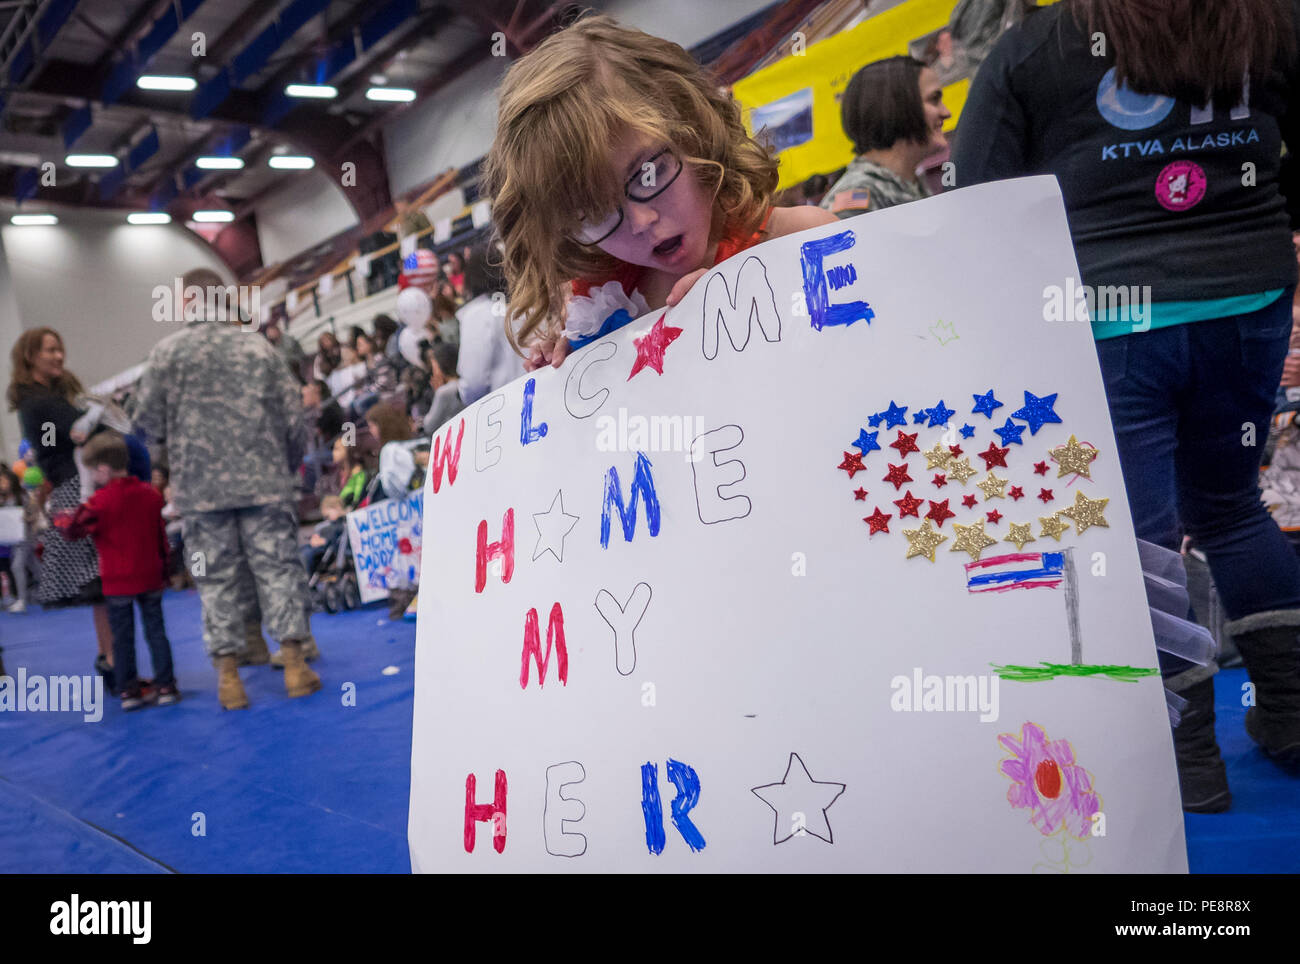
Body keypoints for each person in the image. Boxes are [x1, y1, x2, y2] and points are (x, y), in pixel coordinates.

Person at [954, 0, 1300, 812]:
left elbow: (974, 197)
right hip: (1247, 298)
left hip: (1114, 318)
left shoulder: (1037, 46)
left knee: (1138, 540)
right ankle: (1289, 716)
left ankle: (1186, 767)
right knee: (1230, 507)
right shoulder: (1271, 21)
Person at [481, 14, 838, 375]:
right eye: (595, 214)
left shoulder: (804, 240)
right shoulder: (593, 305)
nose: (641, 221)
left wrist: (760, 316)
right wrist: (573, 372)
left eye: (648, 176)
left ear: (692, 130)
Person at [135, 267, 321, 710]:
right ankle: (294, 665)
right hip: (264, 483)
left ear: (187, 302)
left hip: (200, 491)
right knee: (277, 569)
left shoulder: (167, 353)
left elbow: (146, 423)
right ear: (225, 298)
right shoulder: (258, 349)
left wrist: (175, 451)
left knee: (215, 579)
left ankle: (230, 679)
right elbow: (294, 420)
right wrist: (286, 461)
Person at [6, 328, 114, 666]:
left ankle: (110, 657)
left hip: (72, 486)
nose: (59, 356)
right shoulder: (39, 403)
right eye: (50, 350)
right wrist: (92, 422)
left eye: (60, 349)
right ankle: (112, 659)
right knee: (100, 583)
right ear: (31, 356)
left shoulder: (48, 400)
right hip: (74, 490)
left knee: (103, 586)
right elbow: (64, 438)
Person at [53, 432, 178, 710]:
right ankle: (167, 684)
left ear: (102, 469)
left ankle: (129, 691)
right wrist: (166, 571)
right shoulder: (151, 495)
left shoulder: (98, 503)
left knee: (122, 638)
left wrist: (60, 517)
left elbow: (72, 531)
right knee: (157, 632)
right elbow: (161, 538)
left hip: (117, 581)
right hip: (150, 575)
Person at [820, 56, 952, 220]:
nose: (946, 112)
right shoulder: (856, 201)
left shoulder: (907, 183)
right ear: (898, 107)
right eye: (934, 99)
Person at [365, 402, 418, 502]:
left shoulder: (389, 450)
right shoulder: (411, 443)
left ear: (382, 425)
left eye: (372, 426)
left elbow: (394, 487)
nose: (370, 430)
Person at [0, 464, 30, 612]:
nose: (2, 484)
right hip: (12, 537)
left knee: (17, 566)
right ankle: (50, 591)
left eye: (5, 481)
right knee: (34, 566)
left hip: (25, 536)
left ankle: (22, 600)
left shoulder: (23, 497)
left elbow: (32, 515)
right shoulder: (3, 499)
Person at [423, 341, 466, 435]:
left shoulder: (444, 392)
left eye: (434, 366)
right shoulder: (466, 382)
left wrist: (436, 392)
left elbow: (429, 426)